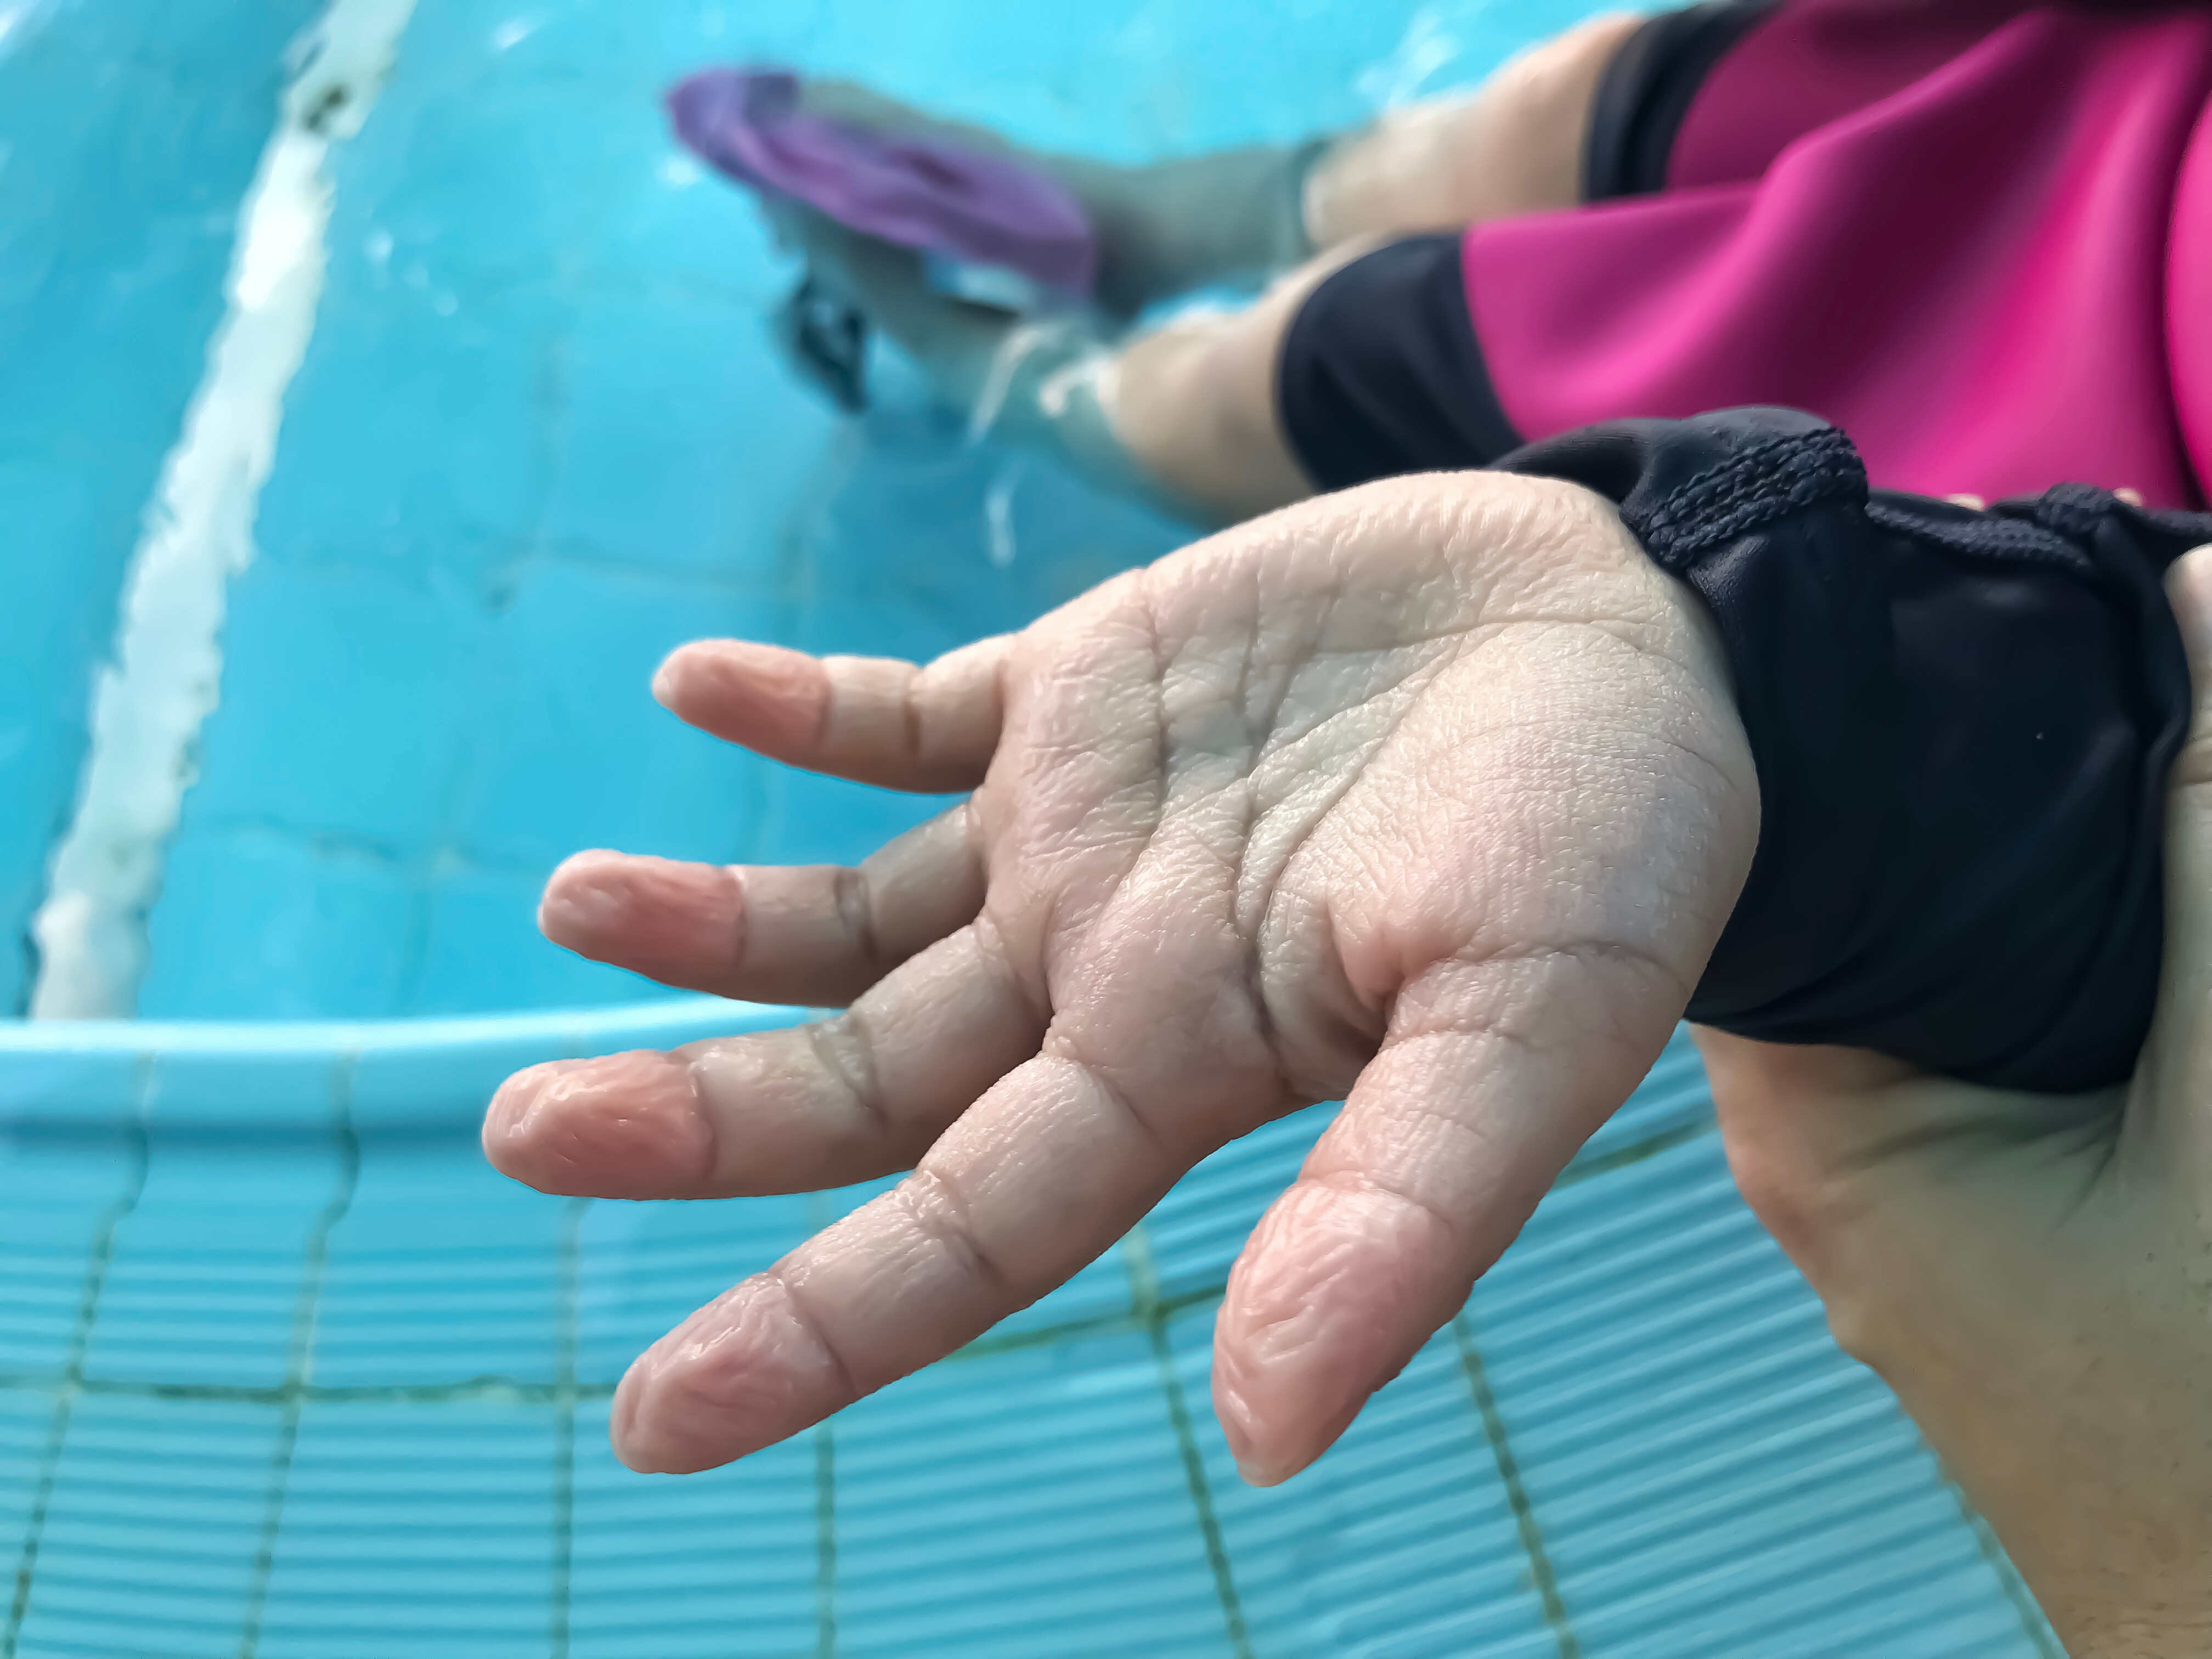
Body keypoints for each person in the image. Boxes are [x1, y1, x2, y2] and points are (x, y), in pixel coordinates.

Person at [482, 3, 2212, 1650]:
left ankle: (1056, 375)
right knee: (1634, 116)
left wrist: (1742, 666)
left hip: (2054, 457)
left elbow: (2094, 779)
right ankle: (1173, 228)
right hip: (2102, 96)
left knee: (1346, 368)